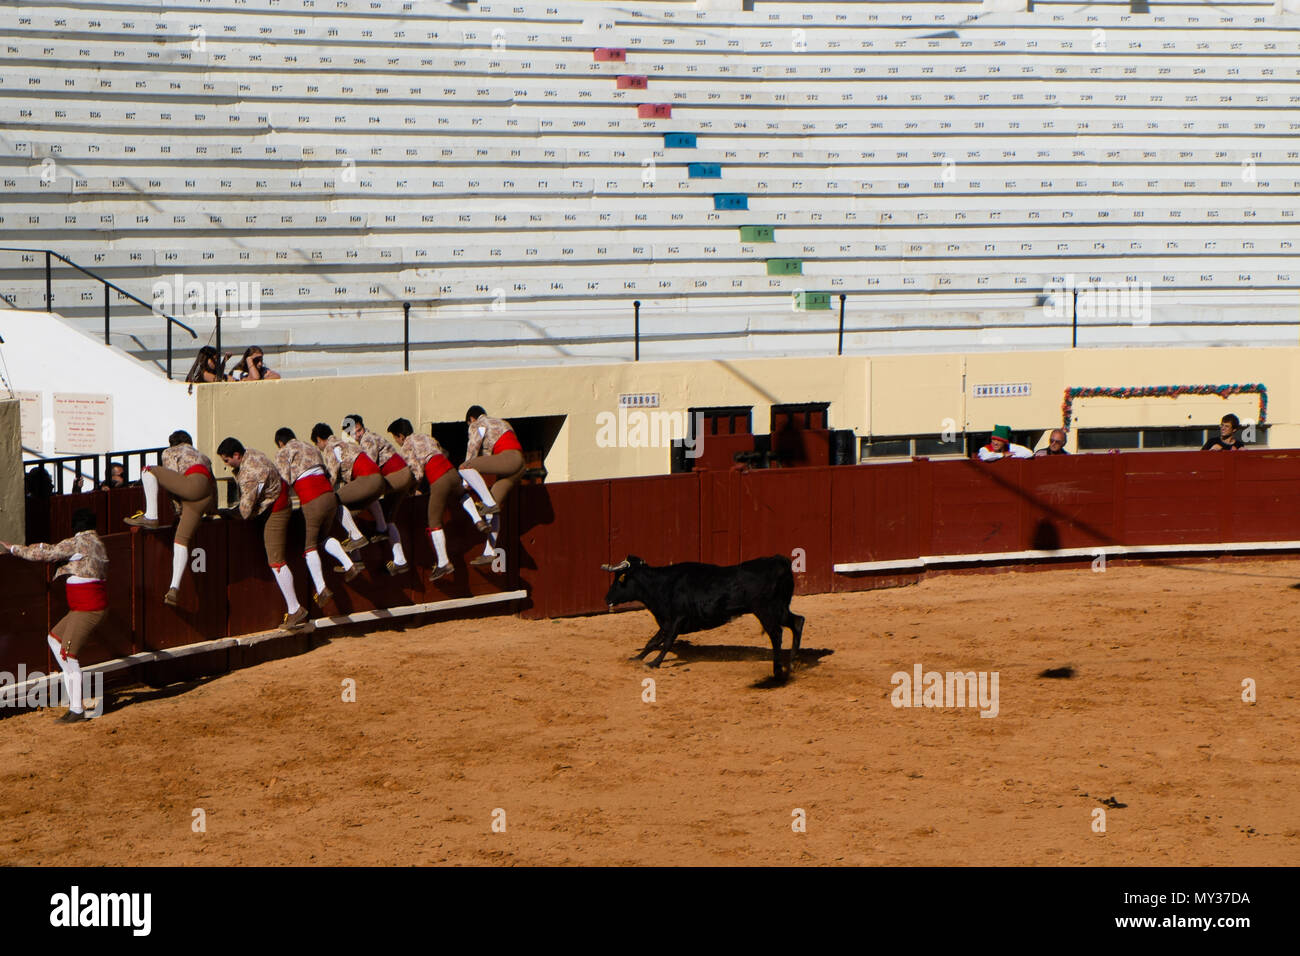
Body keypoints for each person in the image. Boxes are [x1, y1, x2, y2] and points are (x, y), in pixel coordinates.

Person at [1, 508, 107, 722]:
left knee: (70, 655)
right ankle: (74, 702)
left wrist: (13, 549)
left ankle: (77, 709)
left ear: (76, 527)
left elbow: (45, 552)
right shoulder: (98, 542)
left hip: (87, 608)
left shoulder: (79, 542)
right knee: (54, 639)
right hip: (83, 607)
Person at [216, 437, 309, 630]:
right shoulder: (251, 452)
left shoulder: (251, 473)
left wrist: (224, 513)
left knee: (276, 561)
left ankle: (295, 610)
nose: (226, 465)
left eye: (226, 460)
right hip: (276, 502)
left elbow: (245, 511)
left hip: (277, 508)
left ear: (236, 455)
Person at [123, 430, 218, 607]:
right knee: (181, 541)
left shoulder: (171, 452)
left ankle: (151, 516)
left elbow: (173, 480)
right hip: (204, 498)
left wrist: (177, 511)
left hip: (190, 488)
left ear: (172, 443)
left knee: (148, 470)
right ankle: (173, 588)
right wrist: (213, 511)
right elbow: (213, 485)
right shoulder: (203, 456)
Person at [389, 417, 490, 579]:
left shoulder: (407, 446)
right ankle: (478, 519)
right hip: (451, 471)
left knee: (434, 522)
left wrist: (412, 489)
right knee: (462, 494)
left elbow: (417, 472)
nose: (397, 442)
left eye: (395, 438)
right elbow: (444, 452)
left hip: (438, 477)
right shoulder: (428, 438)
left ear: (400, 436)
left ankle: (443, 562)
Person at [273, 426, 363, 608]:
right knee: (323, 537)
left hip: (311, 499)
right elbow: (329, 473)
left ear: (281, 443)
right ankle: (349, 563)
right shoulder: (310, 447)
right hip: (329, 496)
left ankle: (321, 588)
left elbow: (282, 481)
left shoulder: (284, 452)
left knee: (309, 547)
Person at [311, 423, 407, 575]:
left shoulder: (331, 446)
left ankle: (357, 537)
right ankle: (358, 557)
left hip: (367, 479)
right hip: (378, 481)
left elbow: (332, 476)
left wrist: (320, 497)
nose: (320, 448)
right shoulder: (347, 444)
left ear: (319, 439)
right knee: (350, 513)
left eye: (318, 445)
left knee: (334, 502)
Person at [458, 406, 525, 564]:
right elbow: (487, 455)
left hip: (508, 459)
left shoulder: (478, 424)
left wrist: (466, 481)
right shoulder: (502, 423)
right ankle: (490, 552)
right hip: (520, 464)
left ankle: (488, 502)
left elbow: (473, 447)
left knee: (464, 466)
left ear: (471, 419)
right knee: (494, 508)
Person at [342, 414, 413, 552]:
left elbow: (369, 470)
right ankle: (399, 560)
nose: (357, 435)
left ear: (363, 427)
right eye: (353, 432)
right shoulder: (368, 438)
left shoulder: (367, 439)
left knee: (366, 495)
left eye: (359, 430)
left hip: (396, 475)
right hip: (402, 476)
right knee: (389, 518)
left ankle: (357, 537)